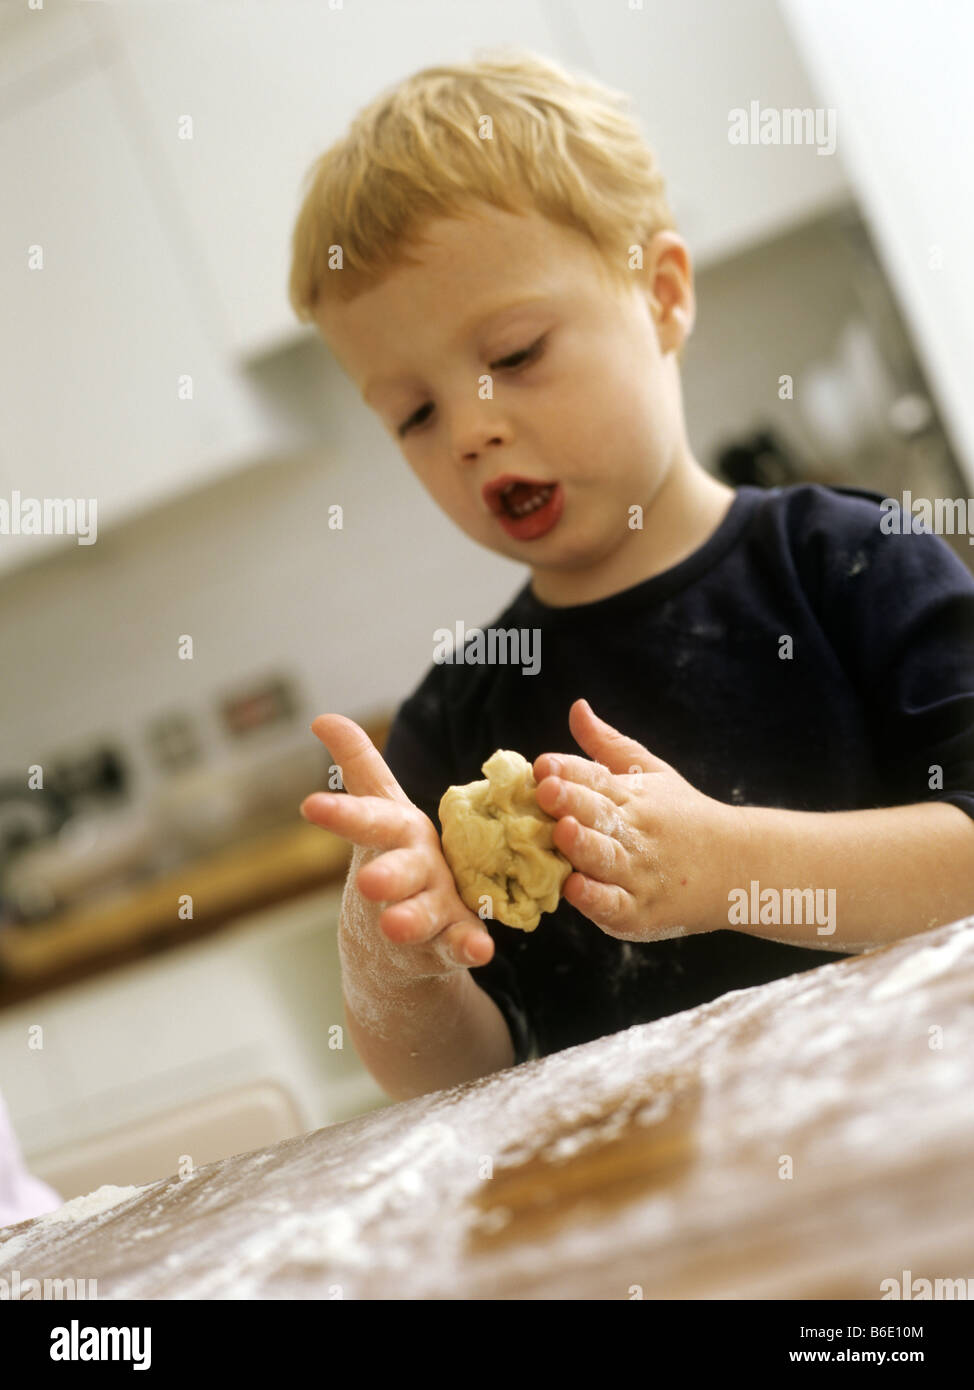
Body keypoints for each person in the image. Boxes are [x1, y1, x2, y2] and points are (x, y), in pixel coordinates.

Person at [288, 51, 974, 1100]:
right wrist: (402, 968)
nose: (471, 427)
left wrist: (730, 868)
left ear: (660, 297)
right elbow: (459, 1077)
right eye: (415, 415)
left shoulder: (851, 564)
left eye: (513, 353)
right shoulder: (455, 722)